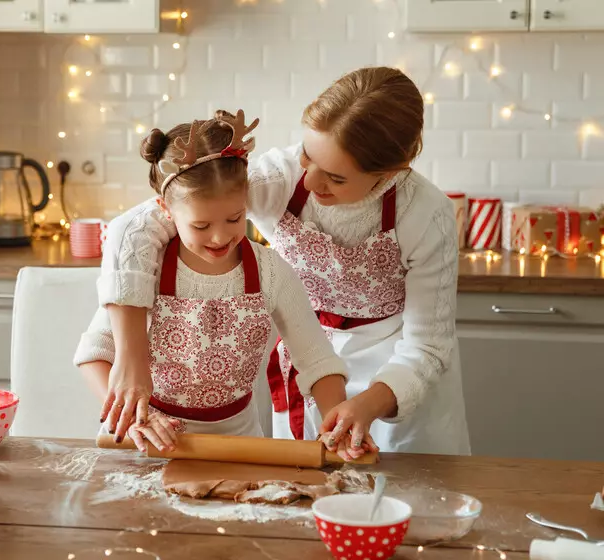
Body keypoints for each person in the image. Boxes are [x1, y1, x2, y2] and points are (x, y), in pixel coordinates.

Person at [95, 67, 471, 459]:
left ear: (392, 170)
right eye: (307, 155)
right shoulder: (279, 177)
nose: (308, 182)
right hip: (312, 368)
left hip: (397, 375)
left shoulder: (426, 214)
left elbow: (428, 346)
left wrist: (368, 405)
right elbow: (137, 225)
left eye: (336, 178)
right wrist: (132, 359)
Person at [73, 110, 351, 453]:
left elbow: (318, 360)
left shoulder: (271, 272)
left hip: (239, 446)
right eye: (201, 226)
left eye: (234, 218)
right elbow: (94, 354)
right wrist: (133, 417)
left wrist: (338, 423)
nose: (220, 237)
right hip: (151, 444)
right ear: (166, 210)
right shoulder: (148, 269)